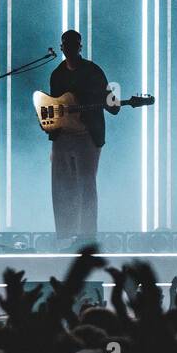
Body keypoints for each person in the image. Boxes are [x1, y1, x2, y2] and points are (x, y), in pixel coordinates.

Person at [48, 30, 118, 239]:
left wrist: (110, 102)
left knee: (86, 186)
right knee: (61, 188)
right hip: (62, 137)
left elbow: (112, 104)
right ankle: (66, 236)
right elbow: (52, 106)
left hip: (87, 136)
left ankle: (87, 238)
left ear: (80, 47)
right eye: (66, 44)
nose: (69, 48)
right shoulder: (57, 74)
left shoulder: (92, 71)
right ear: (61, 48)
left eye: (73, 44)